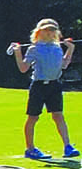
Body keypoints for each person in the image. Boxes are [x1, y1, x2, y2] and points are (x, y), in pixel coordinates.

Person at [10, 19, 77, 161]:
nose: (50, 32)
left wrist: (70, 49)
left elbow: (64, 65)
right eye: (47, 30)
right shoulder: (34, 48)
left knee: (58, 116)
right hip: (39, 86)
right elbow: (23, 68)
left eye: (53, 30)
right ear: (40, 32)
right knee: (33, 117)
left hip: (55, 85)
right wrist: (17, 52)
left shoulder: (57, 47)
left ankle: (68, 146)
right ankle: (30, 149)